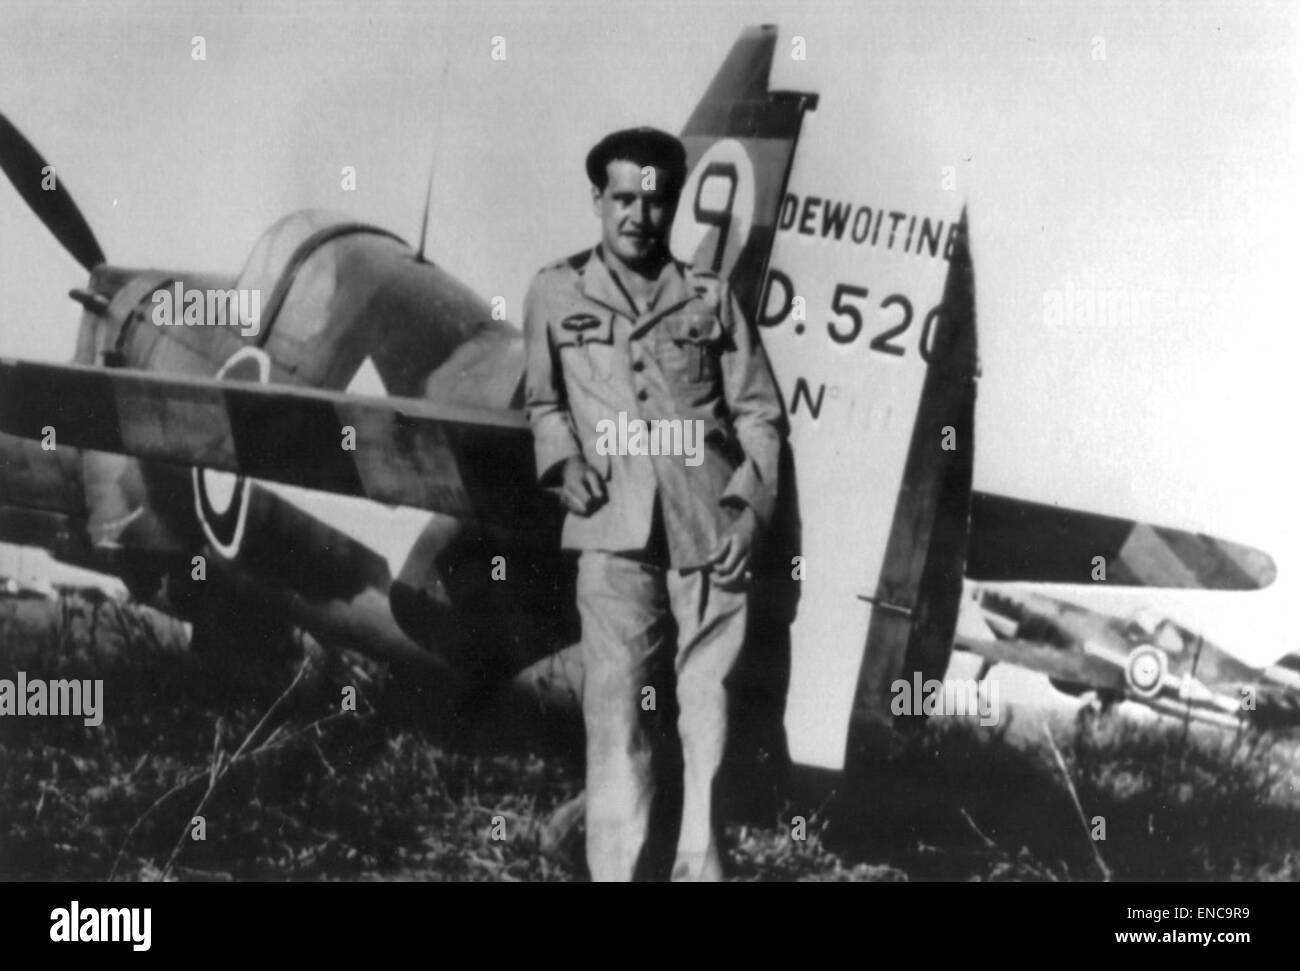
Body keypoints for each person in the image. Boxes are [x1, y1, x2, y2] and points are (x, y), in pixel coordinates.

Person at [523, 126, 785, 881]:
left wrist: (749, 509)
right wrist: (562, 460)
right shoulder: (554, 291)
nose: (638, 215)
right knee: (618, 718)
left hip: (710, 529)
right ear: (597, 201)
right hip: (612, 531)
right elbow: (543, 401)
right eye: (623, 199)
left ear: (672, 204)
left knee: (710, 719)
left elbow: (761, 413)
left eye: (655, 199)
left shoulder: (709, 296)